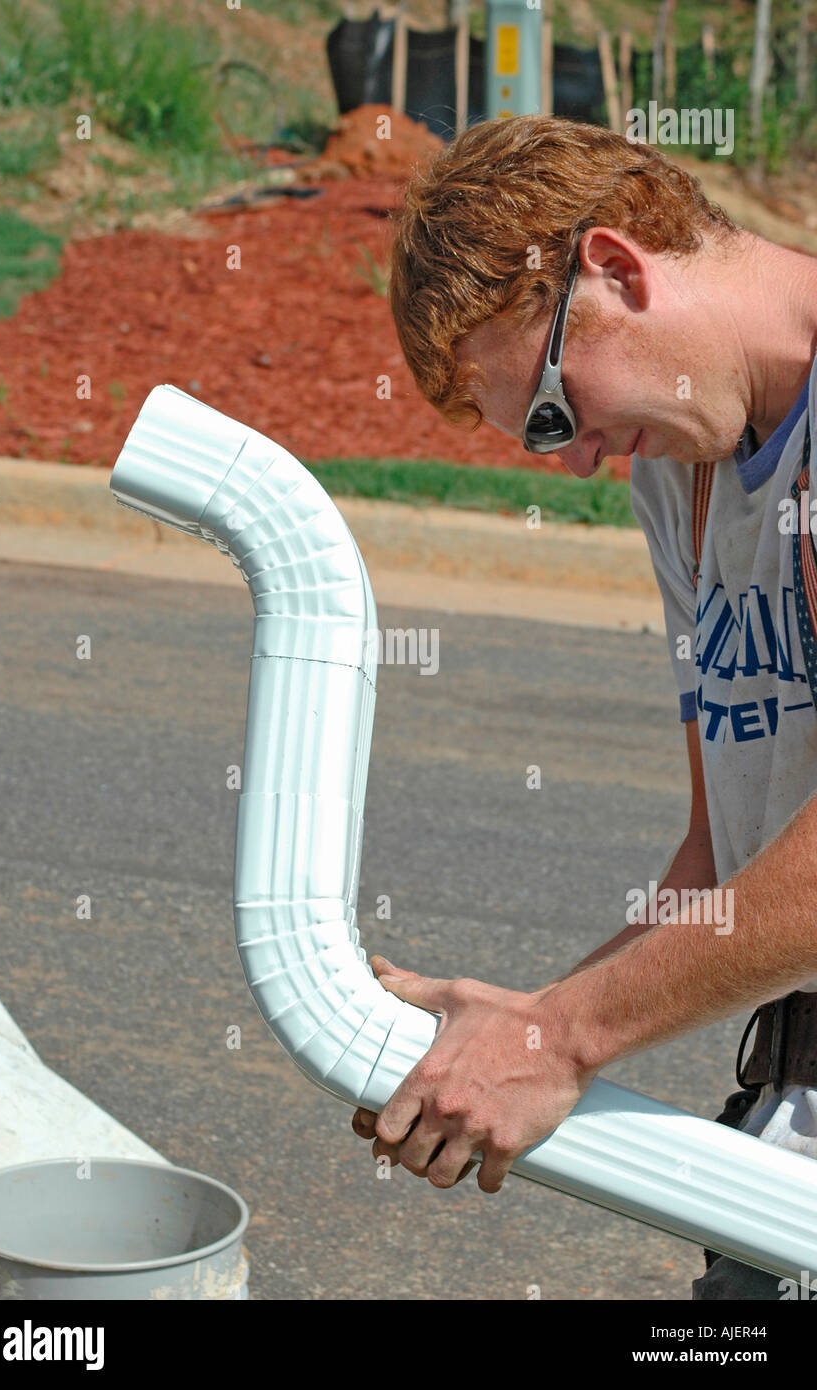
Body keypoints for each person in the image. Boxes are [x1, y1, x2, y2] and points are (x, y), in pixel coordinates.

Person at [350, 114, 817, 1300]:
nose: (571, 463)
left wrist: (562, 1039)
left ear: (615, 268)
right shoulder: (684, 475)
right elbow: (730, 859)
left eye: (552, 414)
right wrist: (533, 1015)